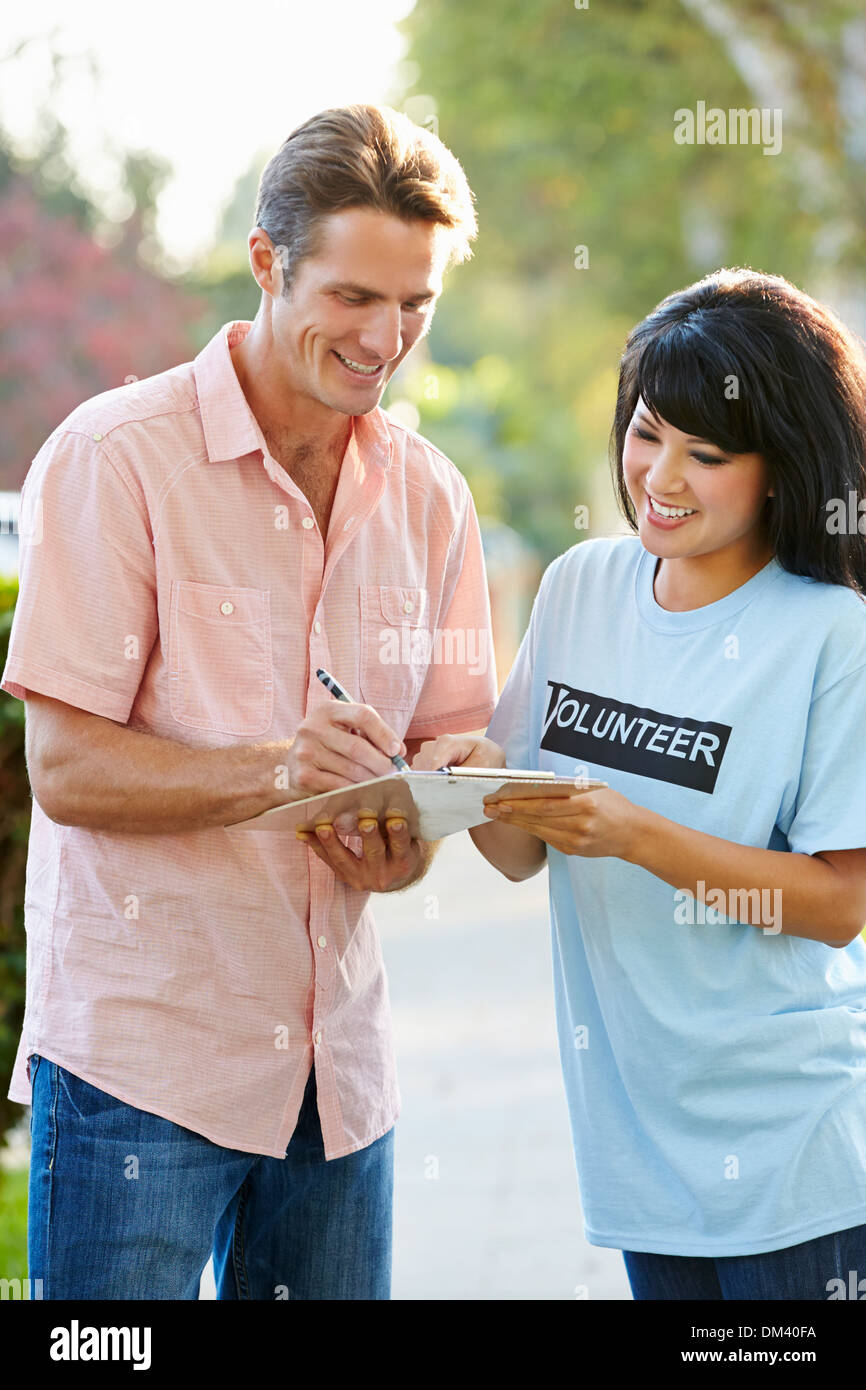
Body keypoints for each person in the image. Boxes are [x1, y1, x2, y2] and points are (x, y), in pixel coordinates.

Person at [2, 103, 498, 1300]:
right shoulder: (115, 459)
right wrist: (282, 770)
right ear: (268, 262)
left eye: (415, 305)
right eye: (353, 297)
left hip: (339, 1080)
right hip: (141, 1069)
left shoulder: (431, 497)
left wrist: (401, 843)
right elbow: (66, 770)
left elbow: (432, 770)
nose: (386, 338)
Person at [408, 268, 866, 1300]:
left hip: (796, 1160)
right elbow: (522, 852)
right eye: (647, 432)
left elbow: (840, 905)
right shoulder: (578, 589)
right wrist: (474, 778)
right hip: (636, 1155)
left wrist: (632, 833)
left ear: (780, 470)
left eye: (706, 454)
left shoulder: (829, 634)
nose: (660, 475)